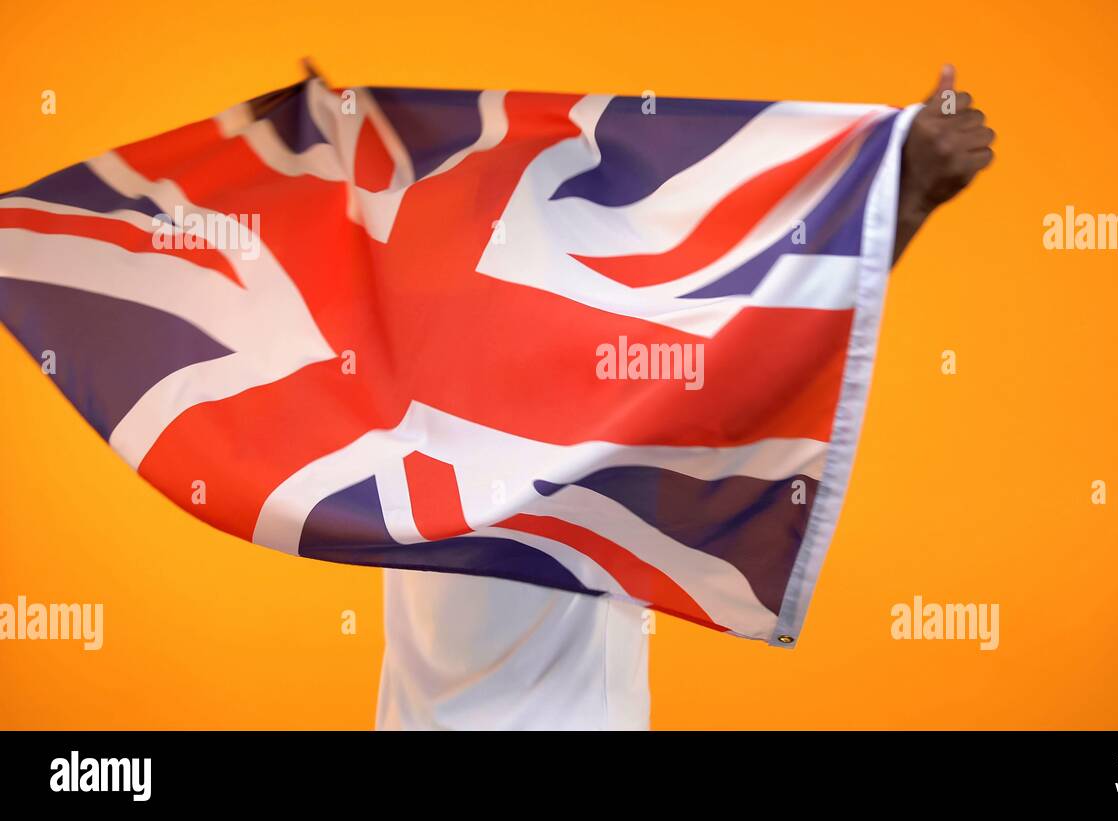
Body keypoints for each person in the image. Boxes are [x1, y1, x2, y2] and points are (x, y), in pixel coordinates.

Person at [375, 65, 995, 731]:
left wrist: (333, 158)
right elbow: (763, 358)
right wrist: (908, 197)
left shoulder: (401, 395)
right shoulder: (580, 414)